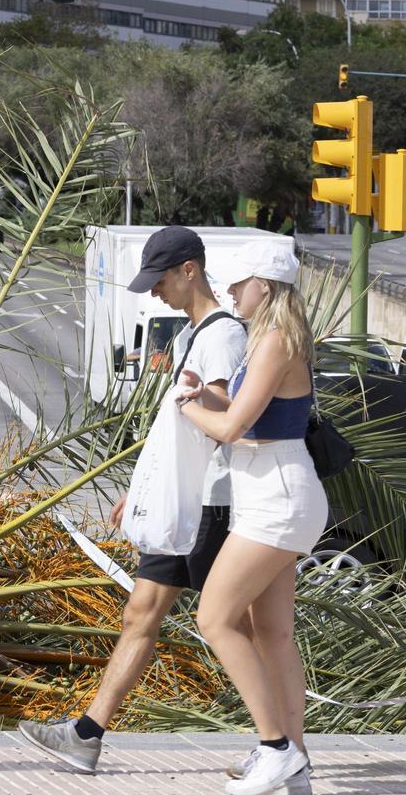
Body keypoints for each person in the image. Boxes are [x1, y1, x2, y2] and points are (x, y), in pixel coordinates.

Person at [18, 226, 248, 772]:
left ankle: (282, 746)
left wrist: (196, 394)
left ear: (189, 270)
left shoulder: (222, 336)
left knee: (247, 629)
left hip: (208, 505)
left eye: (160, 280)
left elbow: (221, 417)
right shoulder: (199, 332)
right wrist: (140, 488)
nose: (153, 293)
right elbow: (180, 428)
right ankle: (86, 735)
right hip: (188, 502)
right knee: (144, 615)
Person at [177, 240, 321, 794]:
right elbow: (249, 418)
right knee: (274, 633)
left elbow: (234, 429)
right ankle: (295, 759)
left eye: (240, 283)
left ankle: (276, 747)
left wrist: (185, 405)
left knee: (213, 618)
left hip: (277, 496)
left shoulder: (276, 341)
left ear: (267, 284)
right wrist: (205, 399)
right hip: (272, 491)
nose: (231, 290)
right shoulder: (273, 339)